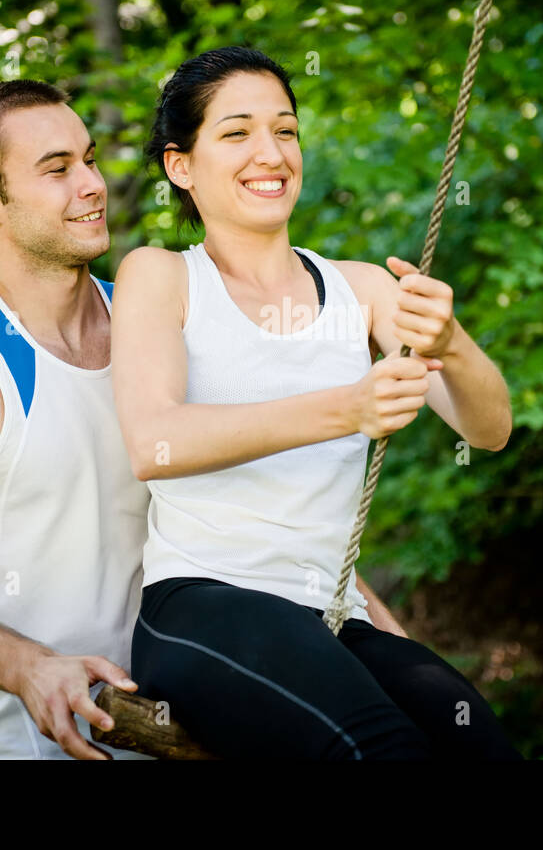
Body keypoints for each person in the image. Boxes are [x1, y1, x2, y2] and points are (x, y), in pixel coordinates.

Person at [0, 78, 406, 759]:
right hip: (42, 747)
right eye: (57, 170)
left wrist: (382, 635)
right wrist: (27, 666)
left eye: (89, 158)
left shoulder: (163, 320)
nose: (91, 183)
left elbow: (273, 518)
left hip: (202, 728)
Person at [112, 46, 522, 759]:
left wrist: (451, 341)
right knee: (384, 751)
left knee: (482, 747)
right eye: (236, 133)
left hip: (334, 616)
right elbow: (155, 442)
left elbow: (488, 428)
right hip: (206, 606)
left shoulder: (360, 289)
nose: (270, 152)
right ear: (181, 165)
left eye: (287, 129)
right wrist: (346, 408)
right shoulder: (163, 276)